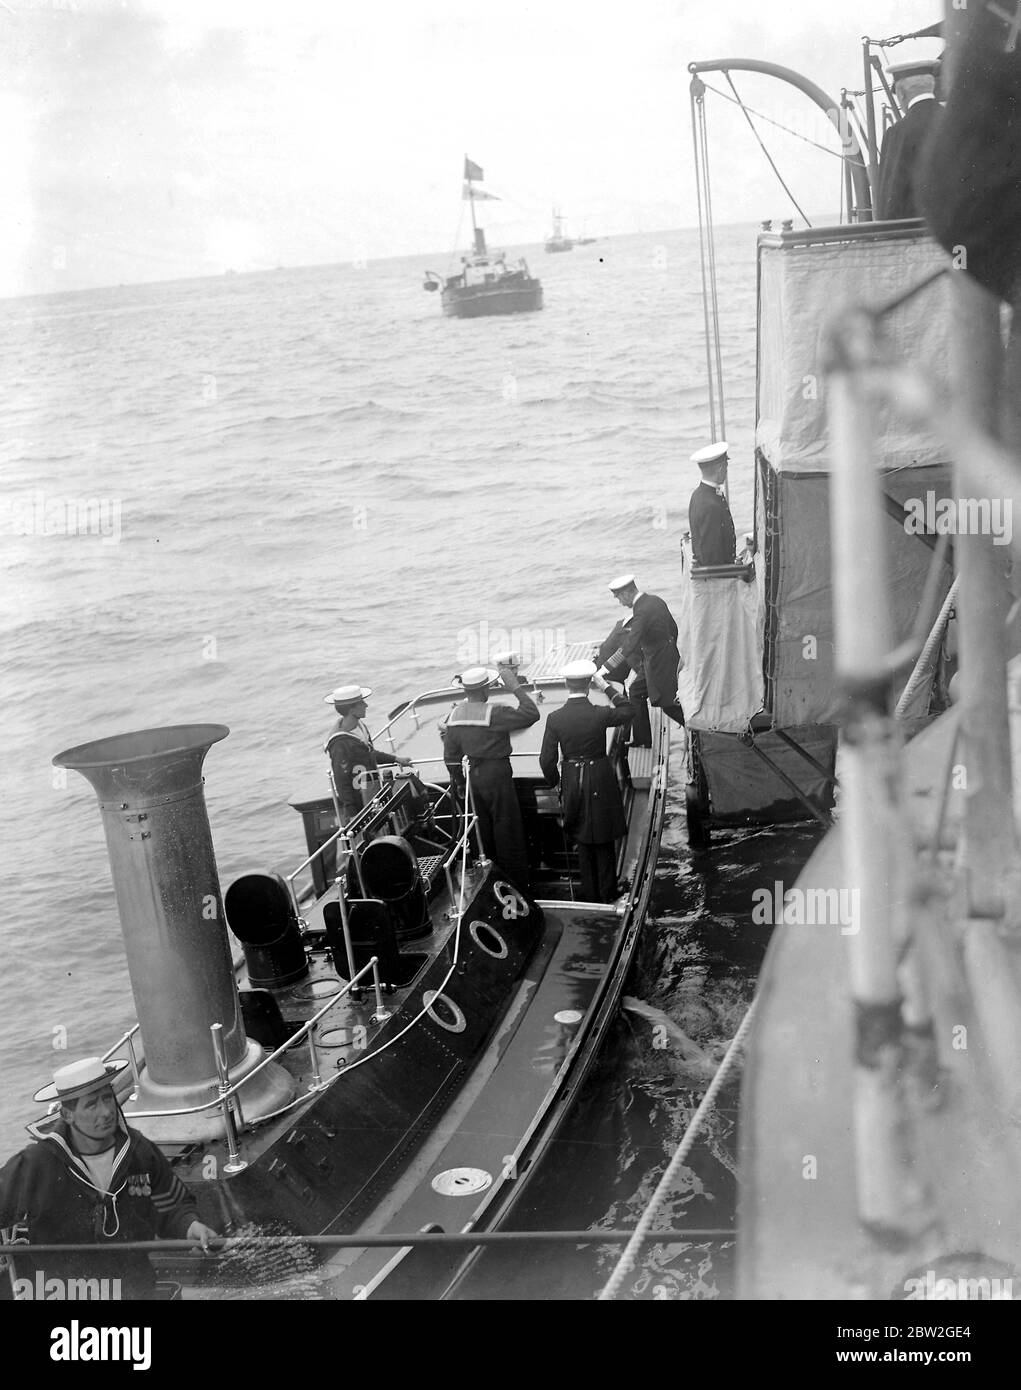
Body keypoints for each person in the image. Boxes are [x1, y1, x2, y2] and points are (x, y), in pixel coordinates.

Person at [0, 1057, 217, 1300]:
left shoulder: (139, 1152)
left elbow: (171, 1205)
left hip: (136, 1286)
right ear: (68, 1115)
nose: (105, 1112)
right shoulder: (35, 1164)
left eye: (107, 1098)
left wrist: (190, 1226)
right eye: (91, 1104)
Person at [540, 660, 634, 902]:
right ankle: (608, 893)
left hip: (572, 778)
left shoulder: (555, 718)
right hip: (600, 777)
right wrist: (606, 687)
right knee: (603, 836)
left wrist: (557, 783)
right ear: (589, 684)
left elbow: (546, 760)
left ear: (565, 684)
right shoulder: (599, 713)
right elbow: (628, 709)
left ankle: (590, 894)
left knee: (582, 836)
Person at [442, 663, 540, 887]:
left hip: (472, 780)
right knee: (508, 830)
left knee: (481, 831)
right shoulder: (495, 712)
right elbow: (531, 713)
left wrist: (459, 782)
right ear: (485, 689)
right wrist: (515, 687)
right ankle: (517, 884)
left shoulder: (454, 716)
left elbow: (450, 757)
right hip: (497, 776)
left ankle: (487, 882)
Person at [597, 575, 686, 740]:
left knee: (668, 703)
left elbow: (629, 645)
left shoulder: (641, 612)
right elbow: (673, 628)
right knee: (636, 692)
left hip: (659, 663)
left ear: (627, 593)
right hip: (659, 656)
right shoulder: (655, 600)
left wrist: (604, 669)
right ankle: (642, 739)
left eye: (619, 598)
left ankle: (694, 728)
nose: (620, 602)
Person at [323, 684, 413, 824]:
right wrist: (353, 814)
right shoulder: (339, 743)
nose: (366, 705)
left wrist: (396, 759)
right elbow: (342, 782)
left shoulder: (360, 727)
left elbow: (369, 753)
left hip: (372, 793)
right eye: (361, 703)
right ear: (351, 709)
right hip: (359, 803)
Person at [875, 60, 940, 221]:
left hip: (917, 235)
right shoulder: (960, 122)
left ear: (901, 94)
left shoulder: (898, 133)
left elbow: (891, 196)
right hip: (961, 232)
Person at [688, 441, 737, 567]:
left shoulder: (699, 494)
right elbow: (712, 557)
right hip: (718, 578)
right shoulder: (710, 505)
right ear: (720, 469)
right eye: (726, 467)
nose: (726, 471)